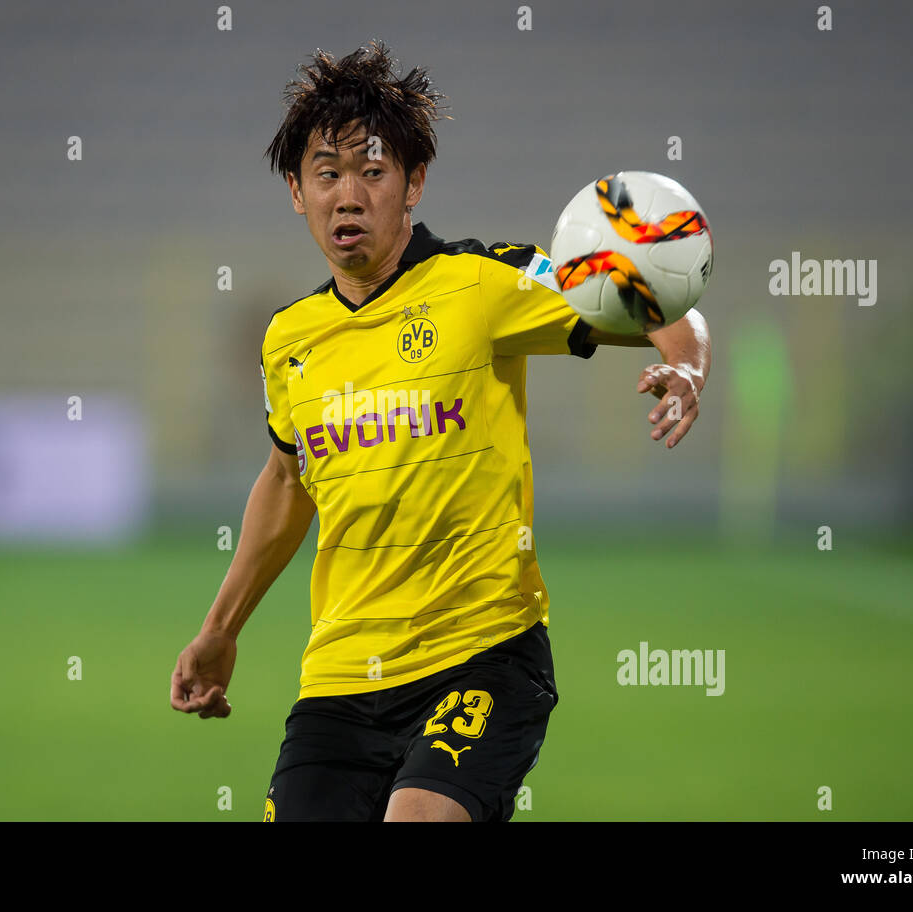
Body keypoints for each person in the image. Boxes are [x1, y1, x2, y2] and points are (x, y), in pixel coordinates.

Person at [171, 40, 711, 821]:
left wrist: (685, 365)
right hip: (342, 678)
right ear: (297, 191)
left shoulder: (481, 284)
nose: (348, 196)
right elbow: (289, 480)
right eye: (327, 174)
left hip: (482, 655)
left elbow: (661, 299)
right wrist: (220, 629)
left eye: (374, 171)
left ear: (414, 183)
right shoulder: (290, 338)